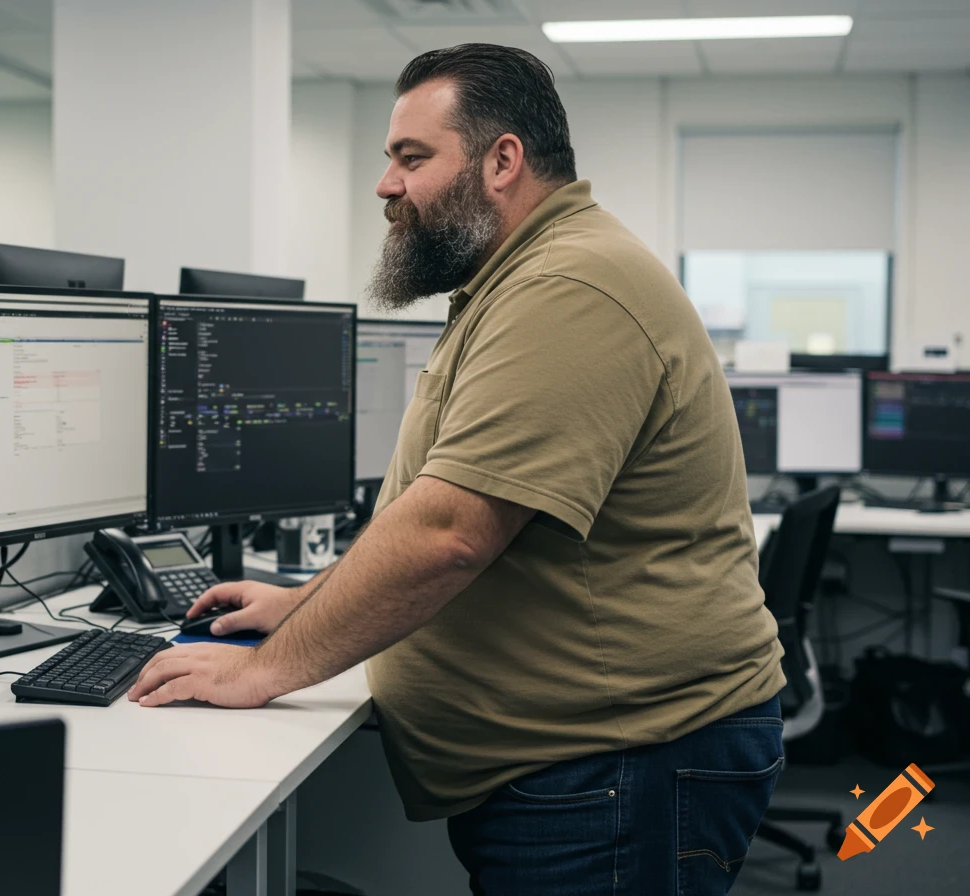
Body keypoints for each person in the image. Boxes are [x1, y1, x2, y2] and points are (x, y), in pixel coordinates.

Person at [129, 43, 786, 895]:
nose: (385, 185)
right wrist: (304, 601)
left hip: (622, 764)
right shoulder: (520, 278)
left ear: (502, 160)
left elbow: (448, 535)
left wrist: (265, 668)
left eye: (412, 158)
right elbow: (433, 507)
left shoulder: (571, 288)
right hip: (591, 755)